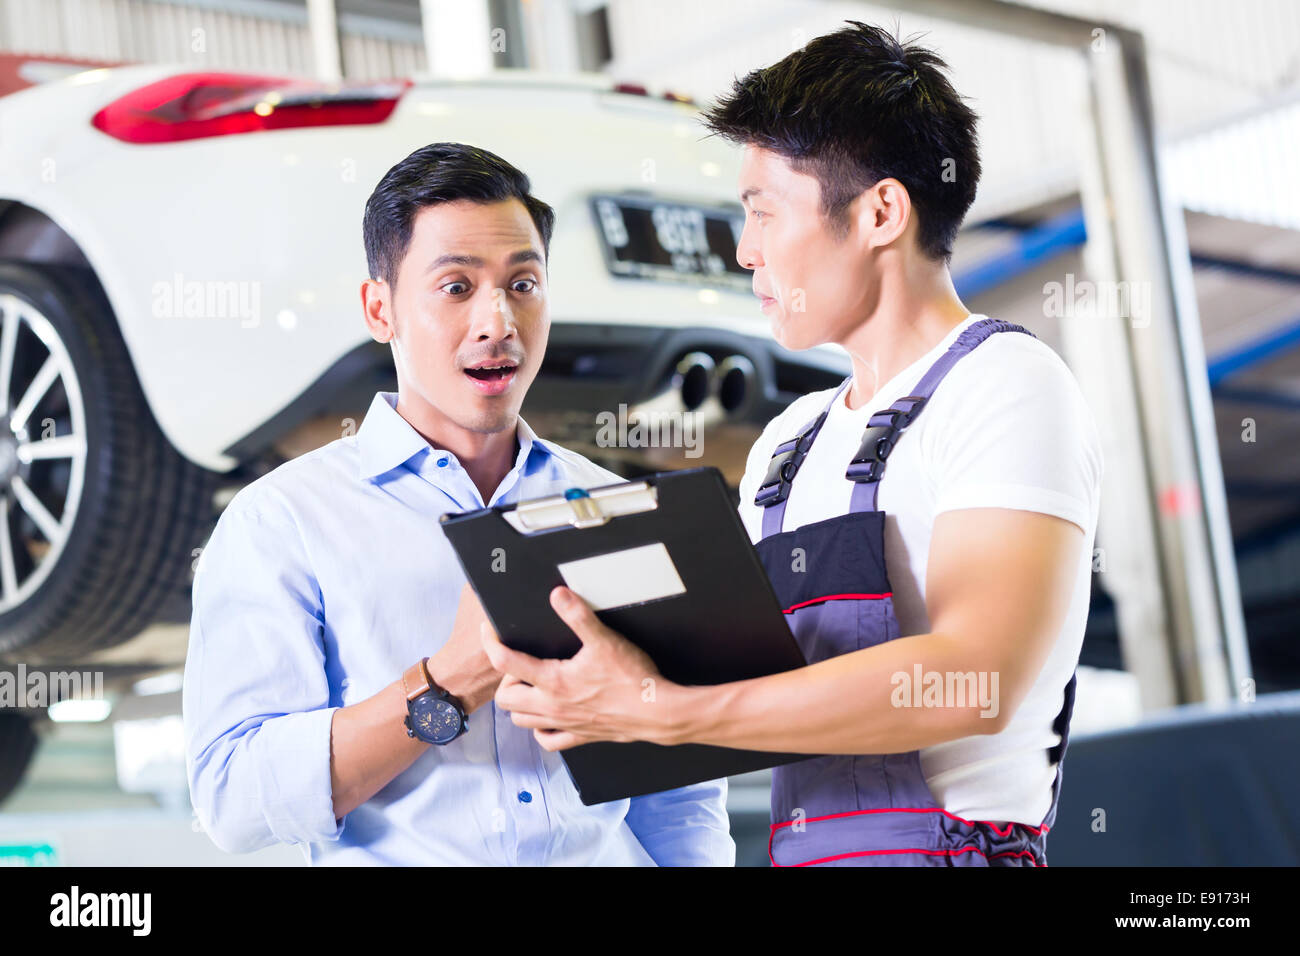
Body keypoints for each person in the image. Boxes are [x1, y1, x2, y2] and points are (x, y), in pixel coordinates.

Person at [485, 22, 1104, 867]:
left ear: (881, 211)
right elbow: (730, 683)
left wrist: (664, 711)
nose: (745, 251)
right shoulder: (787, 444)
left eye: (762, 212)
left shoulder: (1005, 386)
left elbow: (975, 679)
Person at [183, 142, 734, 866]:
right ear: (380, 309)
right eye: (456, 288)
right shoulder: (282, 522)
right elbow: (233, 800)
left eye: (523, 283)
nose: (497, 321)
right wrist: (450, 681)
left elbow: (681, 791)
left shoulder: (615, 505)